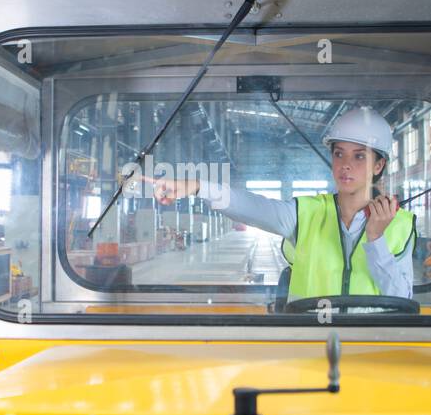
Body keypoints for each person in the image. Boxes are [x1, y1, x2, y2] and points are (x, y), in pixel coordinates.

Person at [147, 106, 416, 303]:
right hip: (308, 344)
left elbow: (401, 297)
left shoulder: (400, 225)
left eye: (359, 156)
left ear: (379, 165)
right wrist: (196, 186)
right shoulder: (305, 214)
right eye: (338, 154)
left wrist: (376, 240)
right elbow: (252, 206)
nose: (346, 165)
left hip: (373, 346)